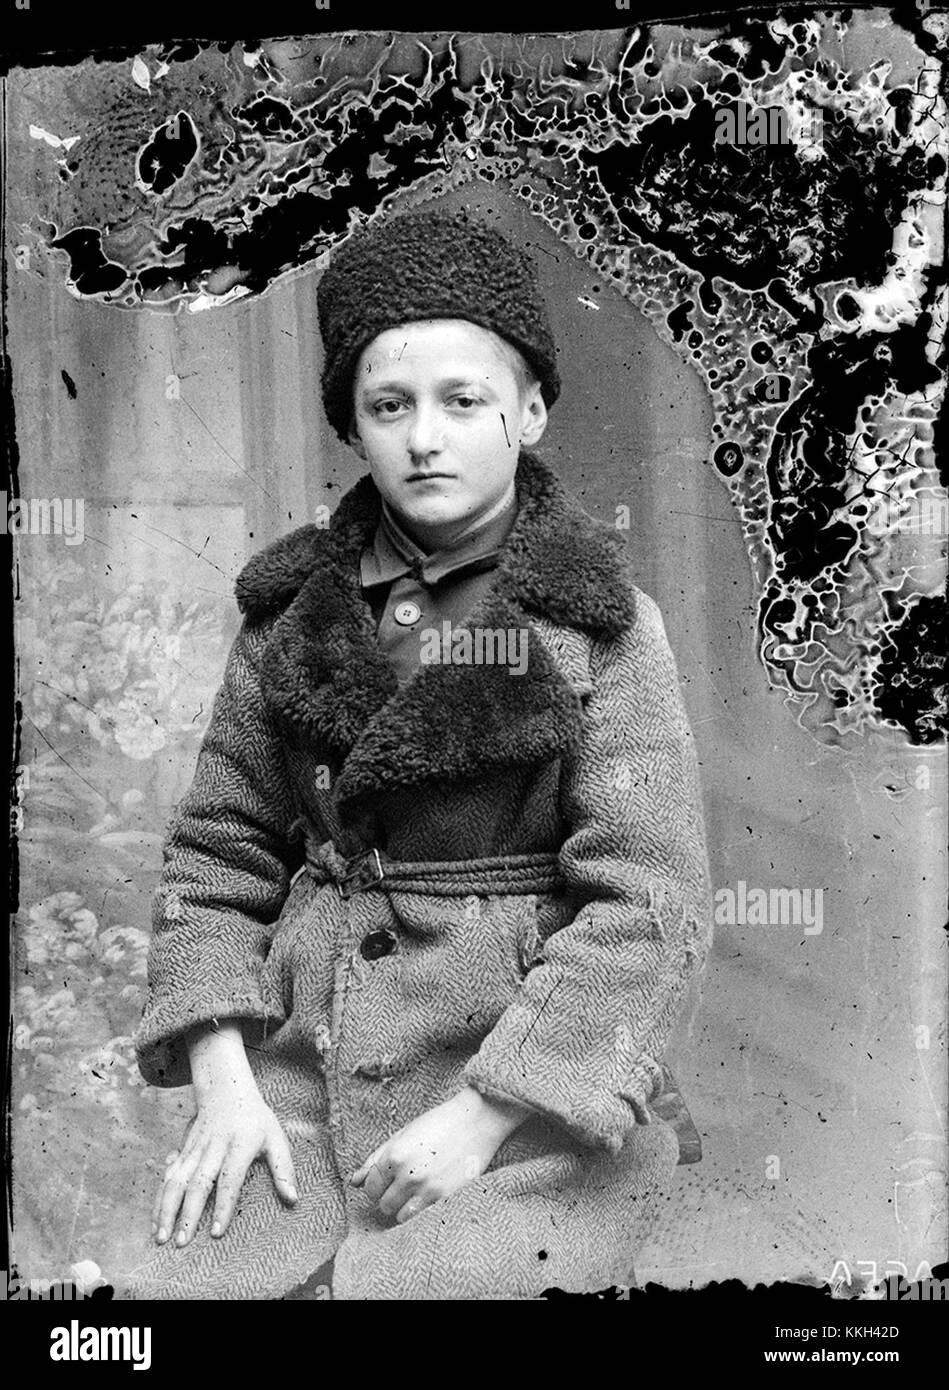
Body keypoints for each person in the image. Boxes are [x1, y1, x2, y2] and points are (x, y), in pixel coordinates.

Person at [128, 206, 713, 1300]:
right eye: (389, 405)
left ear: (529, 412)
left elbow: (649, 899)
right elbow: (216, 858)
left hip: (530, 1094)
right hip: (300, 1076)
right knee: (172, 1302)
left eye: (463, 401)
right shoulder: (287, 619)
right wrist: (225, 1079)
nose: (425, 437)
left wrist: (486, 1113)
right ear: (353, 426)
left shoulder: (604, 630)